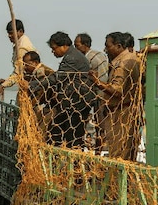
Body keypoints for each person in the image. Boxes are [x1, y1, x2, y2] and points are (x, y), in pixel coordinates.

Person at [32, 31, 93, 148]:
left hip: (77, 103)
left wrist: (35, 85)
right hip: (70, 102)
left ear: (64, 46)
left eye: (54, 48)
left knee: (73, 137)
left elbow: (57, 77)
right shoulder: (72, 56)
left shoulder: (72, 58)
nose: (53, 52)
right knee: (56, 132)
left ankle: (73, 158)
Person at [89, 32, 142, 160]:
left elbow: (117, 90)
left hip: (121, 114)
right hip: (128, 112)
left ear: (118, 46)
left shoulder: (122, 63)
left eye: (108, 46)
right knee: (127, 154)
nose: (105, 50)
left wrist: (97, 82)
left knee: (118, 155)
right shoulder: (133, 58)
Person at [0, 19, 36, 99]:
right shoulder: (20, 43)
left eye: (11, 33)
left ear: (20, 31)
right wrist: (7, 81)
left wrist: (3, 85)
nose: (9, 36)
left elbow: (18, 72)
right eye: (8, 33)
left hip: (30, 86)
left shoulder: (22, 48)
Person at [22, 50, 55, 135]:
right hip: (46, 105)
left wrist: (29, 105)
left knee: (40, 131)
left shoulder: (42, 71)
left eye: (27, 64)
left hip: (49, 105)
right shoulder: (34, 72)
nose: (25, 67)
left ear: (35, 63)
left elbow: (40, 91)